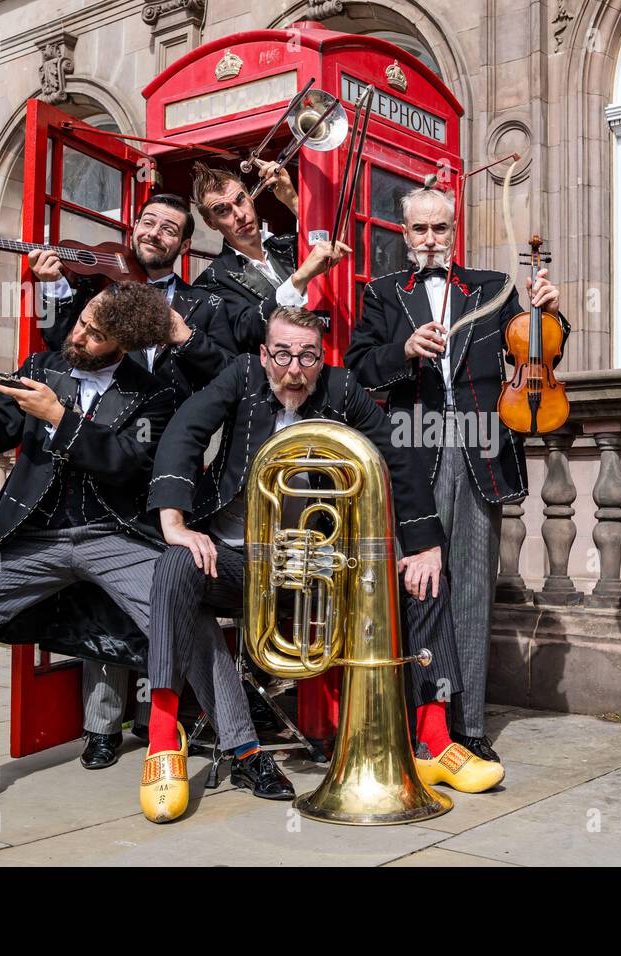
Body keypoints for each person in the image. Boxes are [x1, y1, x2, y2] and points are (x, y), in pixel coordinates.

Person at [141, 305, 504, 824]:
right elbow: (184, 431)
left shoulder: (342, 389)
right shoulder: (240, 376)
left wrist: (424, 543)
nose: (294, 368)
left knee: (424, 579)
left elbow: (398, 459)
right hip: (238, 561)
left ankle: (434, 743)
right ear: (265, 354)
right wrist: (175, 523)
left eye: (308, 356)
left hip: (320, 564)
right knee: (174, 566)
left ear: (321, 357)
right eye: (283, 354)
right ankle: (162, 741)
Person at [0, 282, 177, 813]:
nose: (80, 334)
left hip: (111, 536)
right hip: (34, 539)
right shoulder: (42, 368)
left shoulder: (153, 394)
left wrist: (59, 418)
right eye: (82, 321)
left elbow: (125, 463)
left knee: (179, 613)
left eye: (96, 333)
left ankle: (235, 742)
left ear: (125, 342)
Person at [345, 187, 568, 763]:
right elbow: (358, 367)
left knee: (469, 588)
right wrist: (403, 349)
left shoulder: (493, 288)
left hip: (478, 449)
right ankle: (421, 720)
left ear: (454, 230)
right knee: (416, 588)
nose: (430, 240)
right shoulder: (383, 293)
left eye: (440, 229)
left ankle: (466, 726)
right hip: (411, 454)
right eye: (419, 230)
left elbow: (535, 353)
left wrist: (550, 310)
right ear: (403, 233)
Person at [27, 193, 232, 769]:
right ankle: (100, 724)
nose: (156, 232)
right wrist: (55, 293)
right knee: (100, 590)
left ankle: (159, 716)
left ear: (184, 245)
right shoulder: (101, 289)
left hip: (172, 469)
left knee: (165, 591)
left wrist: (180, 335)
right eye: (149, 221)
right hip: (103, 455)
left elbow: (225, 376)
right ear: (133, 228)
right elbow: (61, 354)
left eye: (171, 227)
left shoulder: (201, 303)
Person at [189, 161, 350, 354]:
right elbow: (248, 329)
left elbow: (342, 243)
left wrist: (292, 199)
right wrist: (299, 279)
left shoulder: (291, 243)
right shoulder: (211, 281)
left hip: (336, 355)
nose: (239, 215)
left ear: (251, 198)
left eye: (240, 200)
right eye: (223, 211)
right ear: (210, 223)